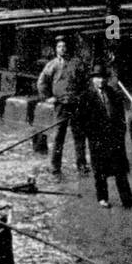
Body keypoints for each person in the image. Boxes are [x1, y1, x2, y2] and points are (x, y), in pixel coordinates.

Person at [79, 63, 132, 208]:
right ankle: (102, 198)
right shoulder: (86, 97)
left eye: (103, 78)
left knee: (120, 170)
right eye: (97, 78)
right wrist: (92, 135)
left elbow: (121, 117)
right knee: (100, 171)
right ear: (92, 79)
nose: (101, 80)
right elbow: (82, 121)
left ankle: (127, 198)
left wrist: (121, 133)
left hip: (114, 138)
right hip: (97, 140)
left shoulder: (113, 93)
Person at [37, 35, 90, 177]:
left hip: (76, 104)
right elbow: (42, 82)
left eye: (64, 46)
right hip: (61, 105)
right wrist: (48, 98)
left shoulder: (77, 63)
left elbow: (87, 82)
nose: (62, 49)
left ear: (69, 48)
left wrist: (83, 97)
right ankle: (55, 167)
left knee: (79, 136)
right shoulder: (52, 65)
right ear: (56, 49)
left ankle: (82, 165)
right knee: (59, 136)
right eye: (59, 47)